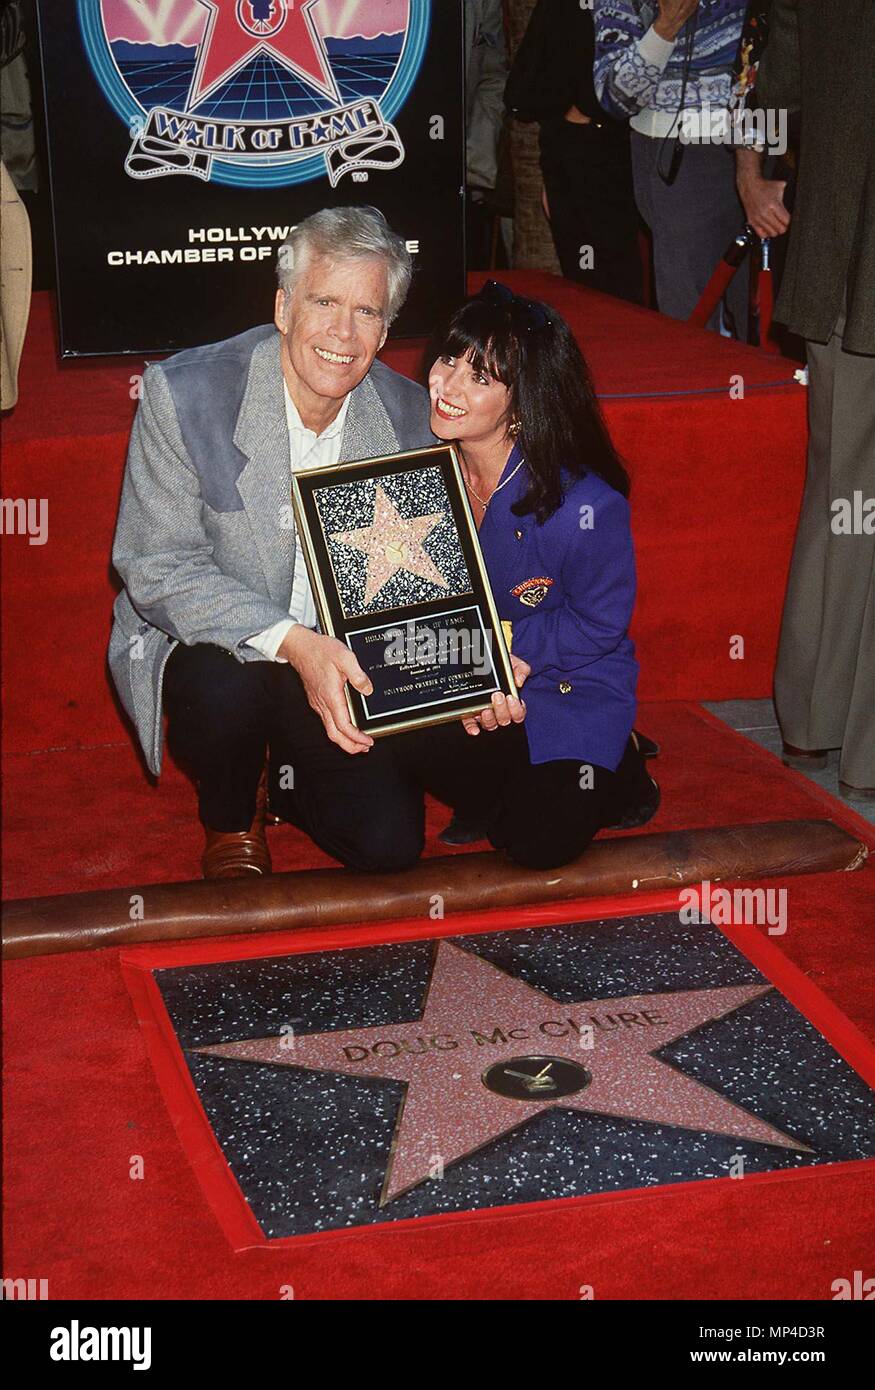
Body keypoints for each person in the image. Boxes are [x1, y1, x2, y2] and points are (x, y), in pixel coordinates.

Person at [109, 206, 436, 878]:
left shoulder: (409, 420)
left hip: (334, 652)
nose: (343, 334)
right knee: (221, 689)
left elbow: (411, 590)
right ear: (284, 307)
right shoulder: (187, 392)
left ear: (387, 326)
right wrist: (292, 642)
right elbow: (157, 565)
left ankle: (285, 767)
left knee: (389, 848)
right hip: (213, 642)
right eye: (324, 302)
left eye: (367, 311)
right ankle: (232, 813)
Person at [389, 282, 659, 870]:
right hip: (460, 673)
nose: (448, 385)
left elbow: (599, 623)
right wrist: (455, 669)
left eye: (480, 377)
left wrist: (508, 656)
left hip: (565, 680)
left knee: (534, 842)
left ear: (524, 400)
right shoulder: (412, 474)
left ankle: (624, 766)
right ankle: (494, 784)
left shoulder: (584, 504)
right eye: (449, 359)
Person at [737, 0, 875, 799]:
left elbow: (773, 77)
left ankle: (816, 722)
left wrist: (752, 172)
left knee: (844, 492)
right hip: (838, 250)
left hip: (832, 253)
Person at [593, 0, 750, 334]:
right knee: (692, 320)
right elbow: (615, 98)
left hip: (771, 137)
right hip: (683, 152)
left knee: (767, 318)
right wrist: (665, 28)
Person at [506, 0, 642, 302]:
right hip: (570, 140)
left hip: (598, 142)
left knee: (610, 283)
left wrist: (585, 110)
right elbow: (527, 81)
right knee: (586, 279)